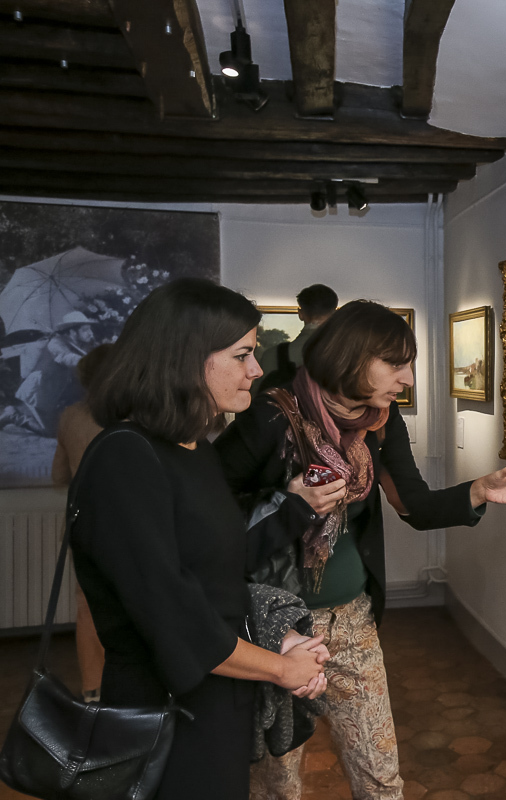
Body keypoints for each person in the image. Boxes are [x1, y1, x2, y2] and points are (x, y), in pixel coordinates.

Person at [216, 300, 506, 800]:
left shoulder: (379, 419)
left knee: (380, 778)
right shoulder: (271, 416)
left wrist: (479, 491)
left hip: (351, 619)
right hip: (276, 630)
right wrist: (291, 502)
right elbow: (211, 521)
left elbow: (412, 504)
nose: (409, 378)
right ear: (351, 359)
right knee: (276, 787)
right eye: (396, 364)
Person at [70, 278, 332, 800]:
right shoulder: (125, 458)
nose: (256, 370)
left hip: (214, 704)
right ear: (185, 359)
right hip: (164, 715)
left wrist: (278, 637)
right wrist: (282, 668)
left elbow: (218, 571)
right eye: (241, 355)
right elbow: (173, 617)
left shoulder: (194, 448)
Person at [50, 342, 112, 704]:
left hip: (82, 524)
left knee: (87, 608)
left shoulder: (70, 416)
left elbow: (59, 475)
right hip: (126, 526)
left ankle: (92, 689)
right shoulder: (133, 418)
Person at [255, 283, 339, 394]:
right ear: (335, 314)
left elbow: (255, 397)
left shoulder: (271, 356)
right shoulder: (347, 353)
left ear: (300, 314)